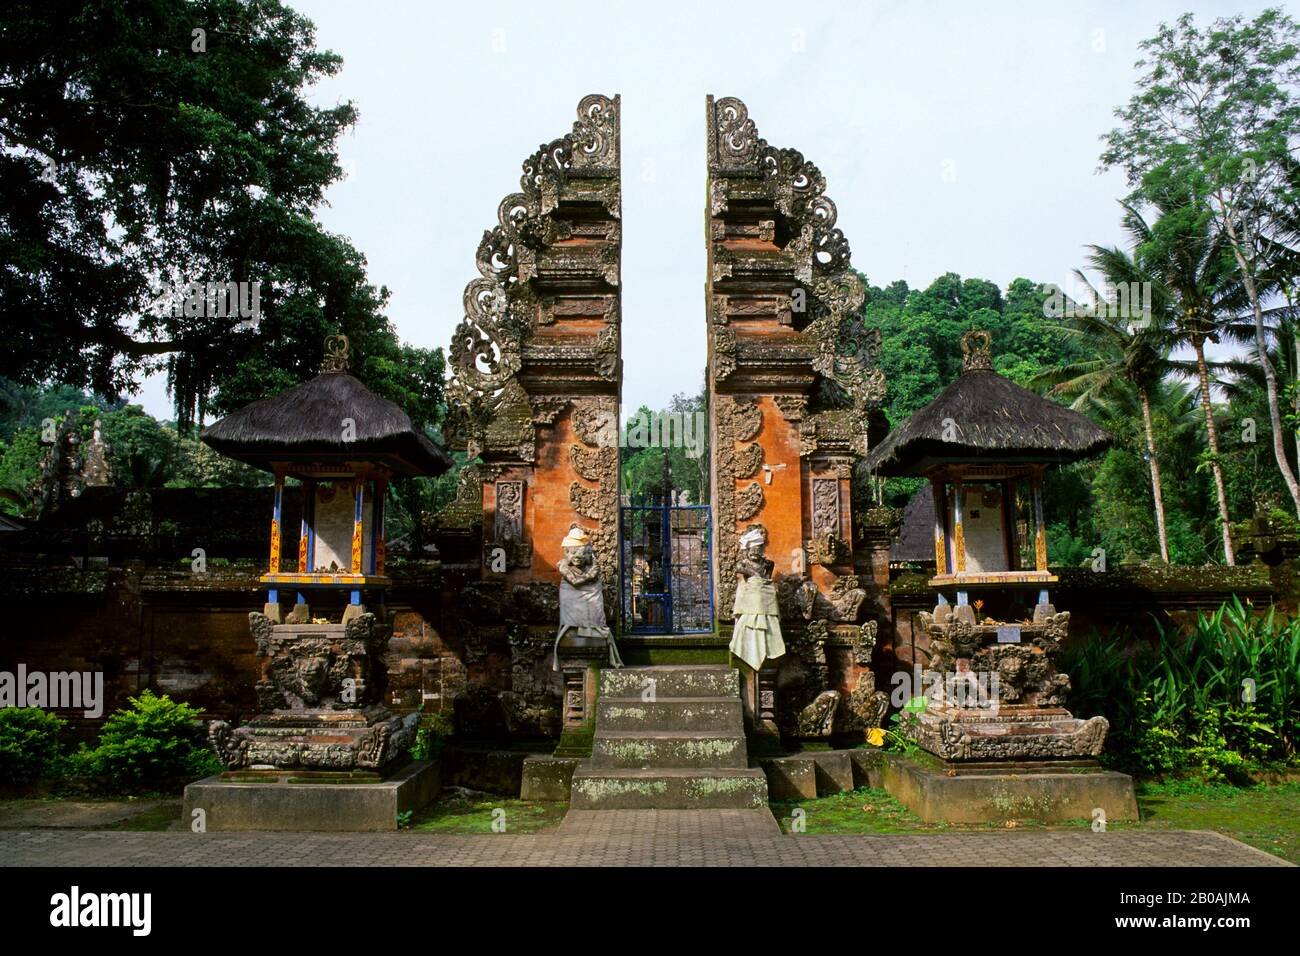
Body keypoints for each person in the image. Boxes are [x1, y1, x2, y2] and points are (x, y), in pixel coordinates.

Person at [553, 525, 623, 670]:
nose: (577, 557)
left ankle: (592, 628)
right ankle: (573, 630)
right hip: (571, 595)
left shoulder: (593, 565)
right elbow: (575, 582)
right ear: (567, 553)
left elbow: (594, 580)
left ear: (587, 553)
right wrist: (589, 576)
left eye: (580, 553)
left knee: (595, 607)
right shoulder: (563, 565)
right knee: (572, 612)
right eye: (573, 553)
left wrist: (592, 573)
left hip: (590, 595)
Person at [729, 524, 785, 671]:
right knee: (749, 619)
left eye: (759, 548)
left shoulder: (767, 564)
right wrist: (753, 574)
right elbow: (741, 570)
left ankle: (768, 644)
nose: (756, 551)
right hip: (749, 597)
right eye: (753, 548)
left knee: (766, 604)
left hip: (765, 597)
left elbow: (767, 579)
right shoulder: (743, 564)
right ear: (748, 549)